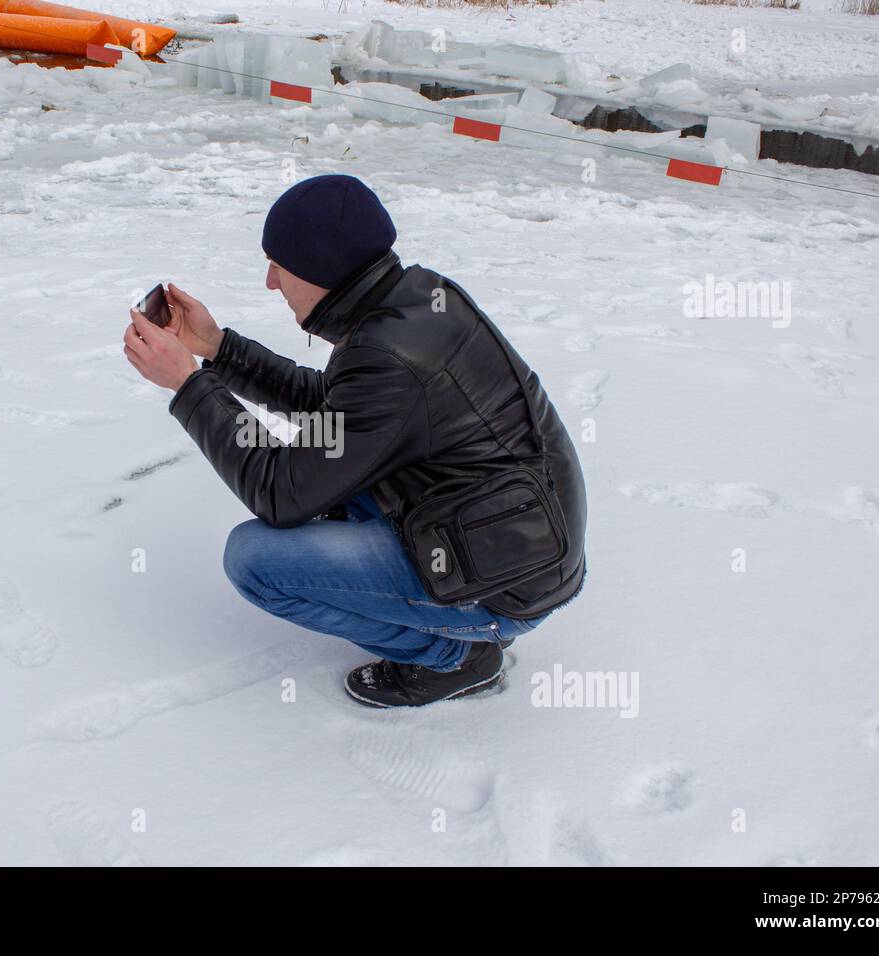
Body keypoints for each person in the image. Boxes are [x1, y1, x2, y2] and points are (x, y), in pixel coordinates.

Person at [122, 174, 587, 708]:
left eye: (280, 265)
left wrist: (188, 383)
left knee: (254, 559)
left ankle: (455, 657)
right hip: (520, 532)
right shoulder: (417, 301)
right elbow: (341, 411)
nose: (271, 282)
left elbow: (277, 493)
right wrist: (216, 347)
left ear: (323, 270)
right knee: (327, 490)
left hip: (504, 579)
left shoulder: (389, 355)